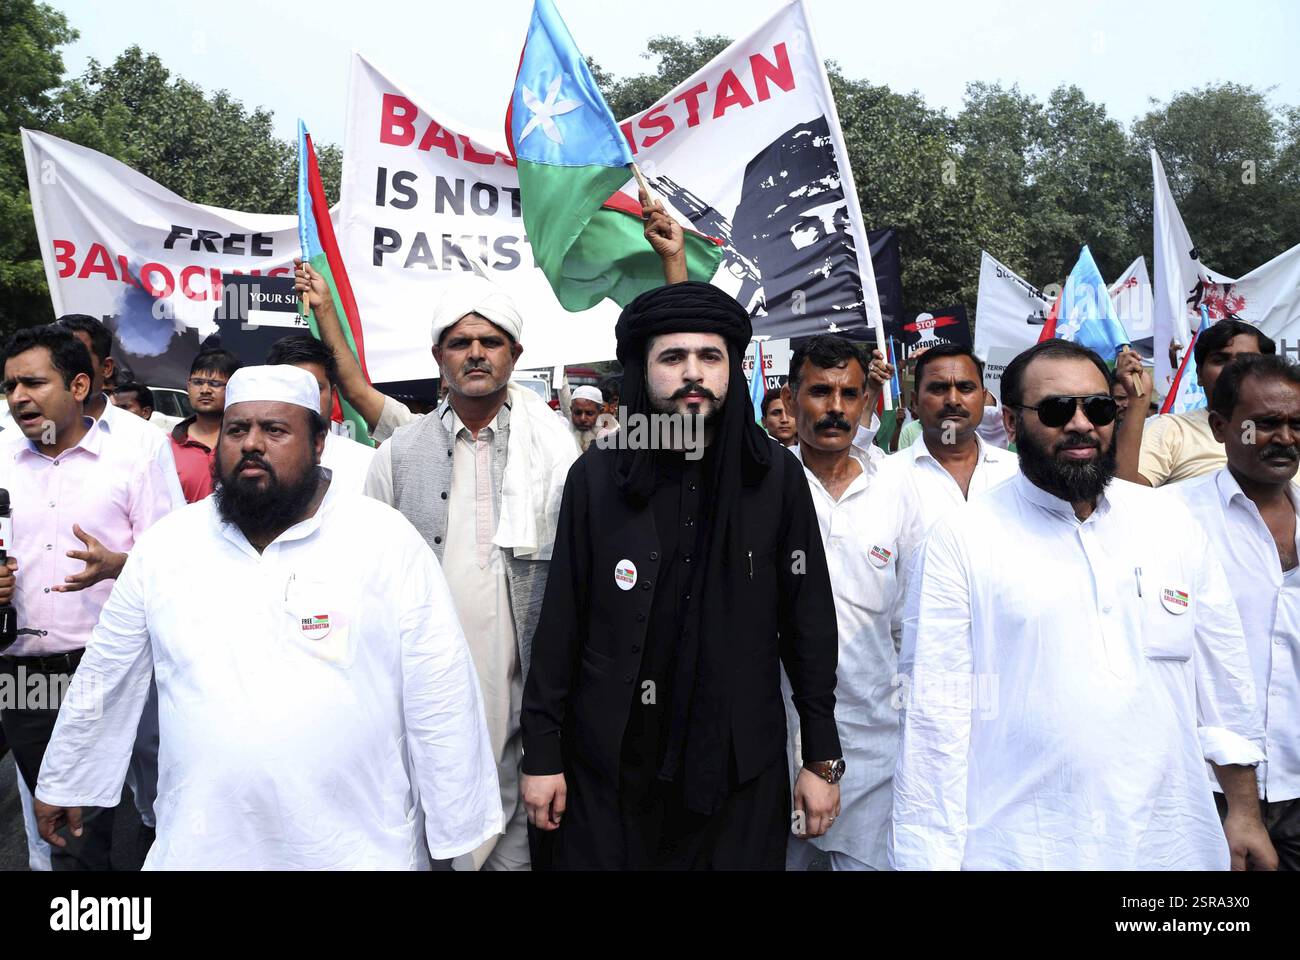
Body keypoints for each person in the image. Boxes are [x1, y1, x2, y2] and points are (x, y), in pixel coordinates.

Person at [296, 186, 685, 871]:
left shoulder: (565, 445)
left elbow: (672, 408)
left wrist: (672, 270)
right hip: (424, 689)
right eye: (460, 342)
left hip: (528, 691)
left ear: (513, 353)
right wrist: (326, 310)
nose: (475, 353)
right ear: (439, 356)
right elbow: (367, 578)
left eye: (489, 341)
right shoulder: (401, 452)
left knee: (518, 852)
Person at [32, 365, 502, 869]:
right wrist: (67, 776)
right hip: (204, 841)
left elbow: (441, 686)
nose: (251, 444)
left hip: (355, 845)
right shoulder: (169, 546)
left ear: (318, 442)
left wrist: (456, 822)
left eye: (275, 430)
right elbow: (107, 670)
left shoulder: (384, 540)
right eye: (237, 430)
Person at [892, 339, 1276, 870]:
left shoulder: (1168, 522)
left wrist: (1244, 812)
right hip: (1026, 846)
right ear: (1010, 419)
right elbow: (937, 715)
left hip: (1172, 842)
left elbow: (1223, 676)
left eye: (1097, 408)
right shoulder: (962, 538)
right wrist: (926, 861)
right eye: (1055, 410)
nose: (1080, 424)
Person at [520, 282, 843, 870]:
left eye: (709, 357)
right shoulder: (597, 477)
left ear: (731, 369)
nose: (693, 373)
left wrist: (821, 758)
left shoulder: (774, 477)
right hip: (610, 765)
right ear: (643, 371)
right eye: (673, 358)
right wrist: (542, 752)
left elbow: (809, 623)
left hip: (739, 767)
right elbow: (562, 621)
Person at [0, 326, 173, 869]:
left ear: (79, 386)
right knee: (56, 820)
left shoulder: (134, 457)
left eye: (32, 382)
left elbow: (174, 561)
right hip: (22, 673)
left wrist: (119, 565)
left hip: (105, 668)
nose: (18, 397)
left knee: (104, 816)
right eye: (9, 386)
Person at [781, 335, 921, 871]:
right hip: (779, 737)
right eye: (819, 391)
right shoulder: (765, 484)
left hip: (874, 743)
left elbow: (910, 626)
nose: (834, 408)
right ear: (793, 398)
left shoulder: (897, 491)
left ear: (867, 402)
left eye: (849, 394)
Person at [1177, 354, 1300, 869]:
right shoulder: (1172, 519)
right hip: (1208, 790)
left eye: (1297, 423)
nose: (1286, 438)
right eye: (1266, 424)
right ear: (1220, 426)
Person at [875, 341, 1017, 534]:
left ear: (984, 398)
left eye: (965, 388)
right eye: (938, 388)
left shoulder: (1017, 473)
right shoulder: (883, 478)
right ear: (914, 402)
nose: (952, 400)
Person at [1116, 318, 1274, 487]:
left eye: (1247, 361)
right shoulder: (1170, 430)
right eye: (1220, 360)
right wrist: (1138, 401)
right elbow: (1124, 496)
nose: (1232, 369)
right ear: (1199, 374)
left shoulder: (1290, 434)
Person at [265, 334, 375, 493]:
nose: (305, 398)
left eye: (315, 388)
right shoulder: (252, 462)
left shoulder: (367, 463)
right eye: (293, 388)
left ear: (333, 394)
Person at [170, 348, 242, 503]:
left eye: (215, 383)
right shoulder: (166, 445)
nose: (205, 390)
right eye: (198, 382)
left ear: (234, 388)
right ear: (188, 386)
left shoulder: (247, 443)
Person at [568, 384, 605, 453]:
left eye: (589, 413)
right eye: (578, 413)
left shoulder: (610, 439)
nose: (583, 419)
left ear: (601, 412)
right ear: (571, 410)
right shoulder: (561, 436)